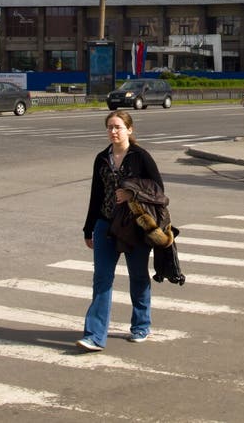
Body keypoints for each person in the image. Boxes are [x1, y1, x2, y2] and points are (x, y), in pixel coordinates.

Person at [77, 109, 163, 352]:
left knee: (137, 276)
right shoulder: (101, 158)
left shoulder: (140, 156)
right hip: (105, 224)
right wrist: (88, 228)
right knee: (102, 278)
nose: (113, 132)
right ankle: (94, 335)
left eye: (118, 127)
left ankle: (141, 325)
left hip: (135, 225)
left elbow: (158, 189)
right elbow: (96, 194)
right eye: (110, 127)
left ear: (130, 130)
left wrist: (132, 193)